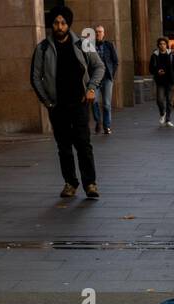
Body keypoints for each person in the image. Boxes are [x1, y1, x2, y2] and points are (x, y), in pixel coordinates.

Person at [30, 5, 104, 199]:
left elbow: (99, 67)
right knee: (64, 147)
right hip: (57, 106)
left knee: (83, 145)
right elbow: (35, 77)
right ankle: (70, 183)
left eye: (63, 23)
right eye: (56, 22)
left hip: (79, 104)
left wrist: (91, 88)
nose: (59, 26)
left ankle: (90, 184)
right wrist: (47, 102)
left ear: (68, 24)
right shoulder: (43, 48)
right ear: (52, 24)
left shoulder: (83, 44)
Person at [90, 25, 118, 134]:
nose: (98, 34)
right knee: (94, 101)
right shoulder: (90, 46)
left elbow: (115, 61)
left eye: (100, 32)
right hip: (94, 79)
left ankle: (107, 126)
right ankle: (98, 121)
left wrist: (112, 74)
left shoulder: (109, 45)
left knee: (106, 104)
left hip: (107, 78)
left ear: (104, 33)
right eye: (96, 32)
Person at [150, 36, 174, 126]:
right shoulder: (154, 55)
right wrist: (157, 71)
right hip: (160, 81)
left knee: (169, 101)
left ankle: (168, 119)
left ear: (166, 45)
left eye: (164, 44)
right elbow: (150, 68)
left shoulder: (171, 55)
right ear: (158, 45)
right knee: (159, 100)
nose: (162, 45)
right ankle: (162, 113)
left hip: (171, 80)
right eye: (160, 44)